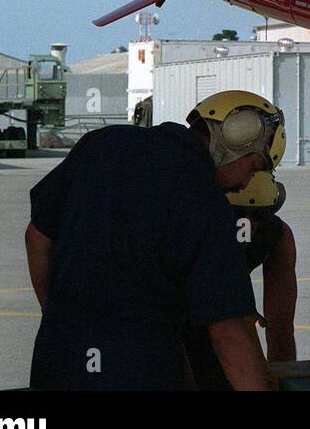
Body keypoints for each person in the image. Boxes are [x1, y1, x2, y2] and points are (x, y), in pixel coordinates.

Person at [25, 89, 285, 391]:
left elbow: (36, 238)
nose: (246, 182)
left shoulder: (103, 144)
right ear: (236, 140)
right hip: (137, 370)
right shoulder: (205, 202)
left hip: (57, 361)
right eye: (254, 167)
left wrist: (62, 320)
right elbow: (227, 330)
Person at [182, 167, 298, 389]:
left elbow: (281, 327)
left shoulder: (278, 236)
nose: (249, 227)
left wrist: (281, 382)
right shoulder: (189, 235)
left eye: (259, 216)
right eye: (239, 214)